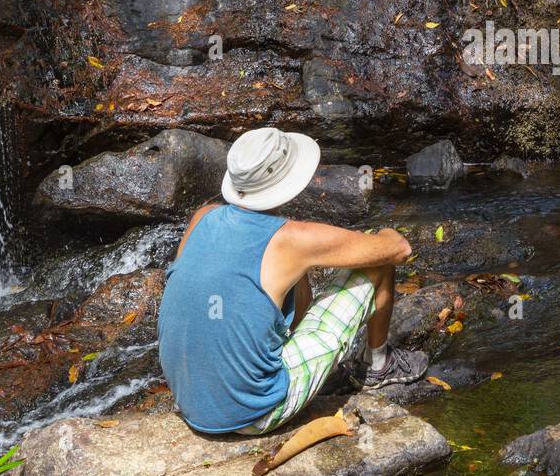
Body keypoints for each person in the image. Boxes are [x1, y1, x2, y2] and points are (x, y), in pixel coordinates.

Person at [157, 127, 428, 435]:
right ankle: (378, 366)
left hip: (190, 399)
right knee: (377, 264)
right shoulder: (293, 239)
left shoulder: (203, 216)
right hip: (251, 413)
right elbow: (398, 250)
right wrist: (386, 233)